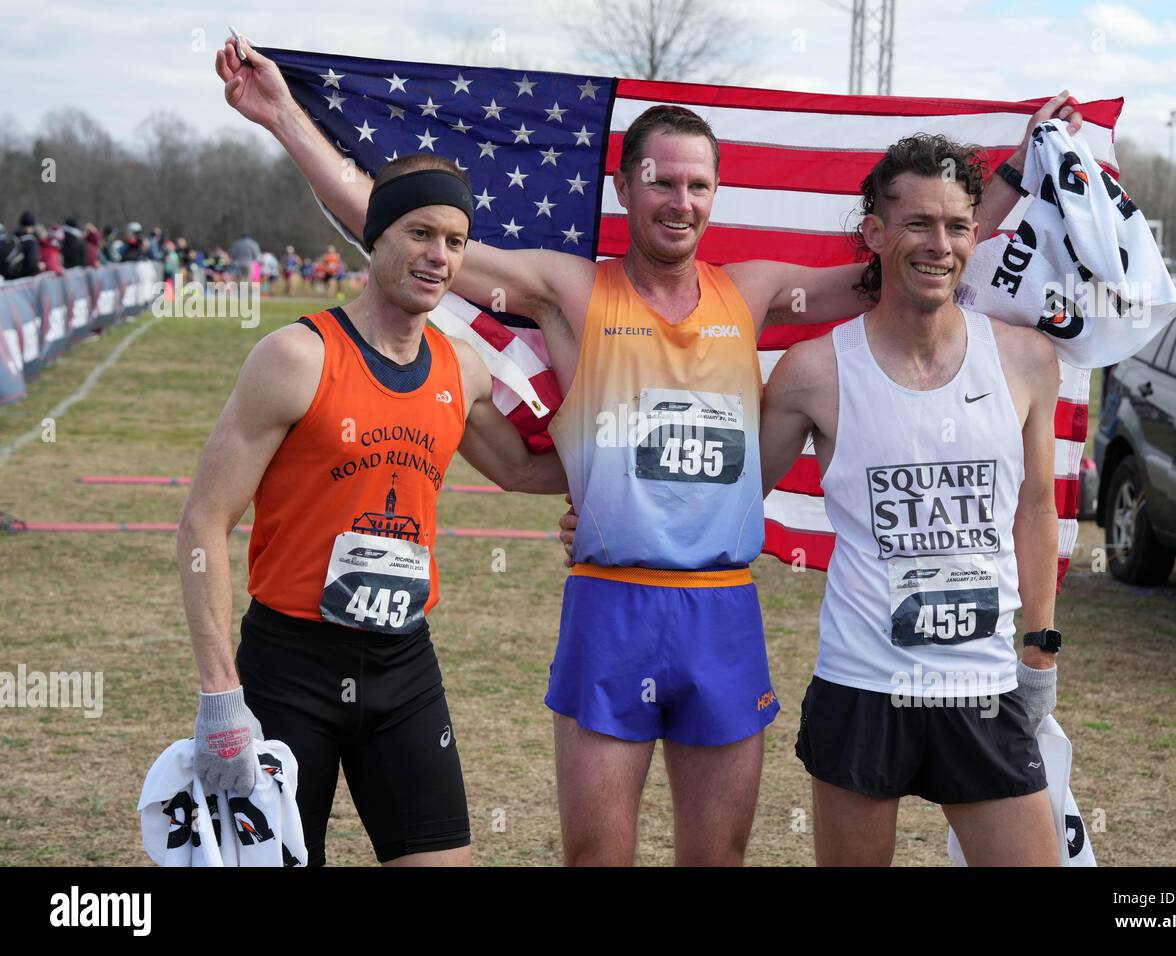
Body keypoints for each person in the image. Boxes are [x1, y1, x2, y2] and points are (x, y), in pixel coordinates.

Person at [217, 34, 1080, 866]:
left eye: (697, 184)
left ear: (715, 193)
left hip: (720, 608)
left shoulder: (745, 293)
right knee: (598, 856)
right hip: (610, 604)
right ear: (626, 186)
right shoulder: (569, 289)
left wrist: (1004, 179)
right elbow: (395, 223)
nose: (680, 199)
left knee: (718, 856)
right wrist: (284, 117)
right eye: (661, 180)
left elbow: (905, 259)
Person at [177, 153, 568, 867]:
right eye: (421, 233)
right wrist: (219, 698)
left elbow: (520, 470)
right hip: (289, 670)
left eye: (455, 241)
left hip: (404, 663)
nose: (439, 257)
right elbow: (203, 521)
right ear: (376, 236)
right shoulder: (296, 357)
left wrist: (625, 487)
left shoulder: (462, 367)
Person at [758, 133, 1062, 866]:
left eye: (957, 226)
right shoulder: (812, 371)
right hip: (865, 685)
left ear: (977, 235)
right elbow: (731, 502)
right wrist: (608, 519)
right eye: (918, 224)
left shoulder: (1025, 357)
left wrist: (1041, 650)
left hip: (983, 686)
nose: (940, 244)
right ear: (874, 233)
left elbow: (1037, 508)